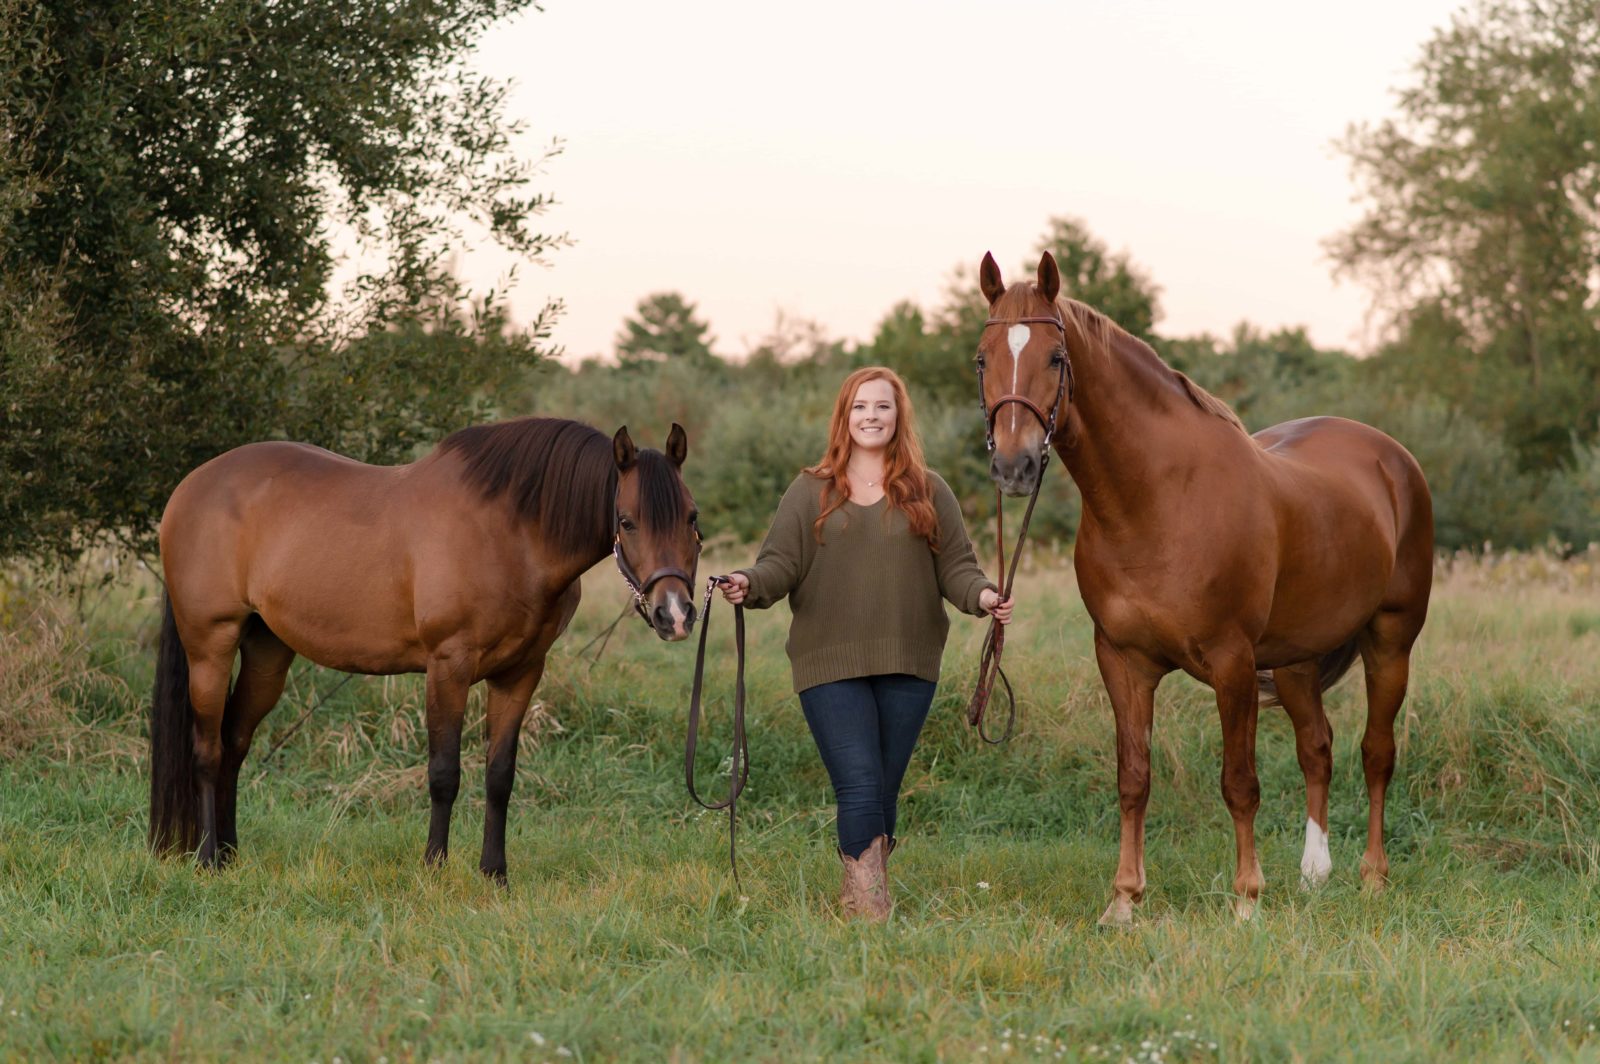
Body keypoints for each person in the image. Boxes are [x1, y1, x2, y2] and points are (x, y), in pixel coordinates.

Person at [720, 366, 1012, 922]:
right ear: (844, 416)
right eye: (860, 407)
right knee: (859, 783)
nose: (871, 416)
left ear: (898, 416)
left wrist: (984, 597)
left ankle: (859, 900)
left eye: (882, 406)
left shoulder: (929, 490)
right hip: (829, 662)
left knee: (881, 790)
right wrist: (747, 584)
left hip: (909, 661)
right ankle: (870, 914)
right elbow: (779, 563)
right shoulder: (810, 492)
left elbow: (957, 569)